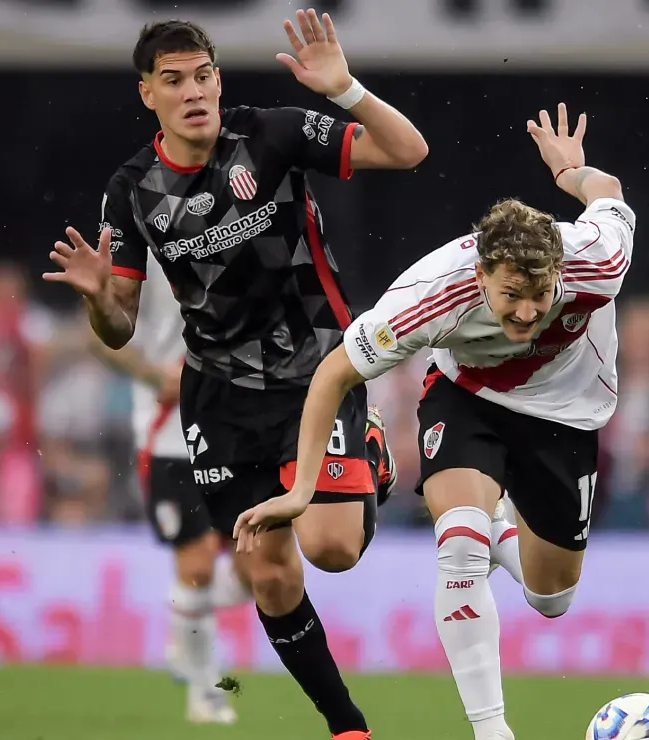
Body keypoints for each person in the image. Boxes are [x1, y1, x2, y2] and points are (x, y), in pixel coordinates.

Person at [42, 11, 426, 740]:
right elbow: (119, 325)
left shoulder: (272, 134)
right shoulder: (131, 189)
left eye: (203, 76)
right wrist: (96, 299)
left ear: (218, 80)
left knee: (333, 550)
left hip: (317, 372)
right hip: (219, 394)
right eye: (174, 81)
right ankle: (348, 727)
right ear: (147, 94)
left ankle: (366, 447)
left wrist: (345, 89)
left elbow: (408, 151)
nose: (193, 92)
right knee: (269, 574)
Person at [234, 103, 634, 740]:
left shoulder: (598, 260)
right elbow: (333, 374)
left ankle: (502, 532)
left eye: (541, 294)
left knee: (550, 597)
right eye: (510, 295)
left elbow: (607, 193)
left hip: (566, 416)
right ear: (481, 275)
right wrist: (303, 489)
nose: (526, 311)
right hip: (466, 397)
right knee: (458, 548)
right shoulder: (432, 292)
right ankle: (491, 729)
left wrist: (572, 174)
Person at [89, 247, 251, 724]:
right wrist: (152, 374)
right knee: (197, 562)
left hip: (238, 427)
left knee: (258, 571)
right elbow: (96, 336)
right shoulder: (137, 236)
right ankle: (205, 694)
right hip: (169, 431)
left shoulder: (247, 228)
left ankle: (184, 622)